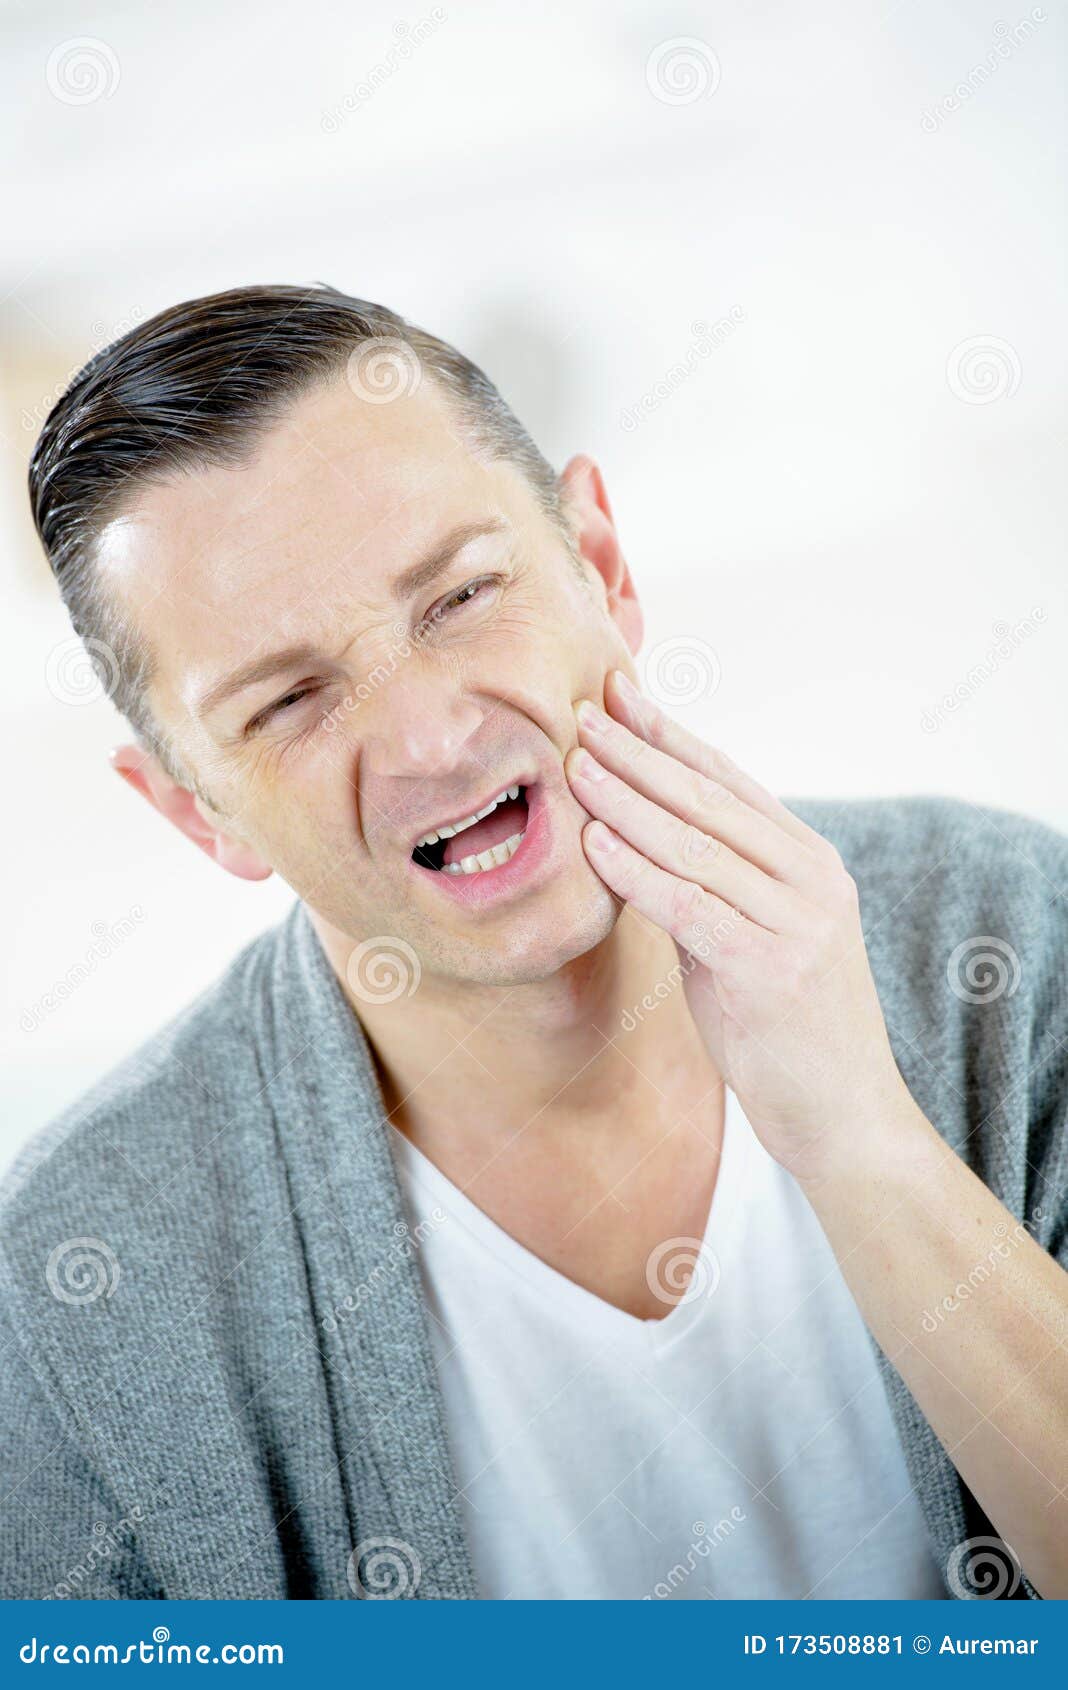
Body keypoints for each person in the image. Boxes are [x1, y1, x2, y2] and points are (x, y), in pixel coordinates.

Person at [2, 285, 1065, 1601]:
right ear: (195, 809)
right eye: (287, 700)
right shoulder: (69, 1289)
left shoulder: (1018, 943)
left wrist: (861, 1137)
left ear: (603, 571)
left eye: (459, 596)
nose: (434, 736)